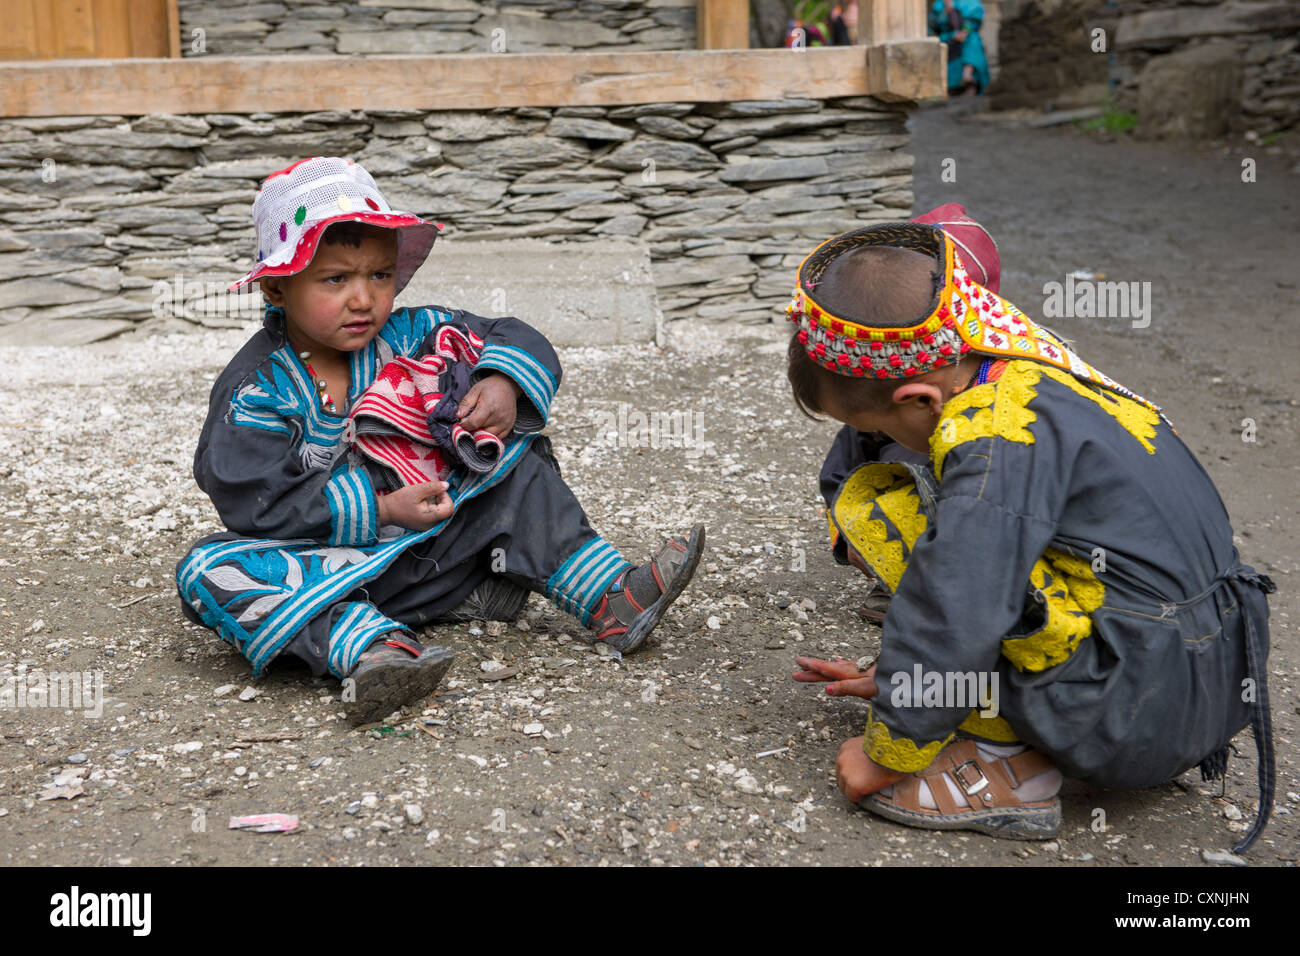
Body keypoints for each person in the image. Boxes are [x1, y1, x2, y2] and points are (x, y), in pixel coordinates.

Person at [783, 220, 1275, 851]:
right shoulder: (1018, 364)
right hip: (1208, 673)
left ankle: (1010, 768)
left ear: (917, 397)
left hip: (1138, 717)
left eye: (865, 423)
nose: (867, 438)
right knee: (975, 545)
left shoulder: (991, 442)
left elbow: (954, 603)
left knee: (897, 509)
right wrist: (901, 671)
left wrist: (893, 747)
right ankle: (991, 707)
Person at [176, 157, 704, 724]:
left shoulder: (412, 332)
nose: (364, 299)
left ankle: (608, 597)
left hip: (440, 543)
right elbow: (251, 498)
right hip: (323, 571)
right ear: (278, 289)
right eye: (336, 278)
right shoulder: (255, 391)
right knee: (207, 570)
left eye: (379, 275)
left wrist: (500, 380)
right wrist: (378, 508)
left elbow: (511, 333)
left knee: (516, 469)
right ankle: (373, 650)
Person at [929, 0, 990, 95]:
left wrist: (964, 32)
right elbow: (933, 26)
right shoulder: (939, 5)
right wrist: (945, 12)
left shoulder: (970, 2)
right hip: (947, 37)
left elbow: (974, 20)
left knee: (972, 41)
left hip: (966, 35)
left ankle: (968, 74)